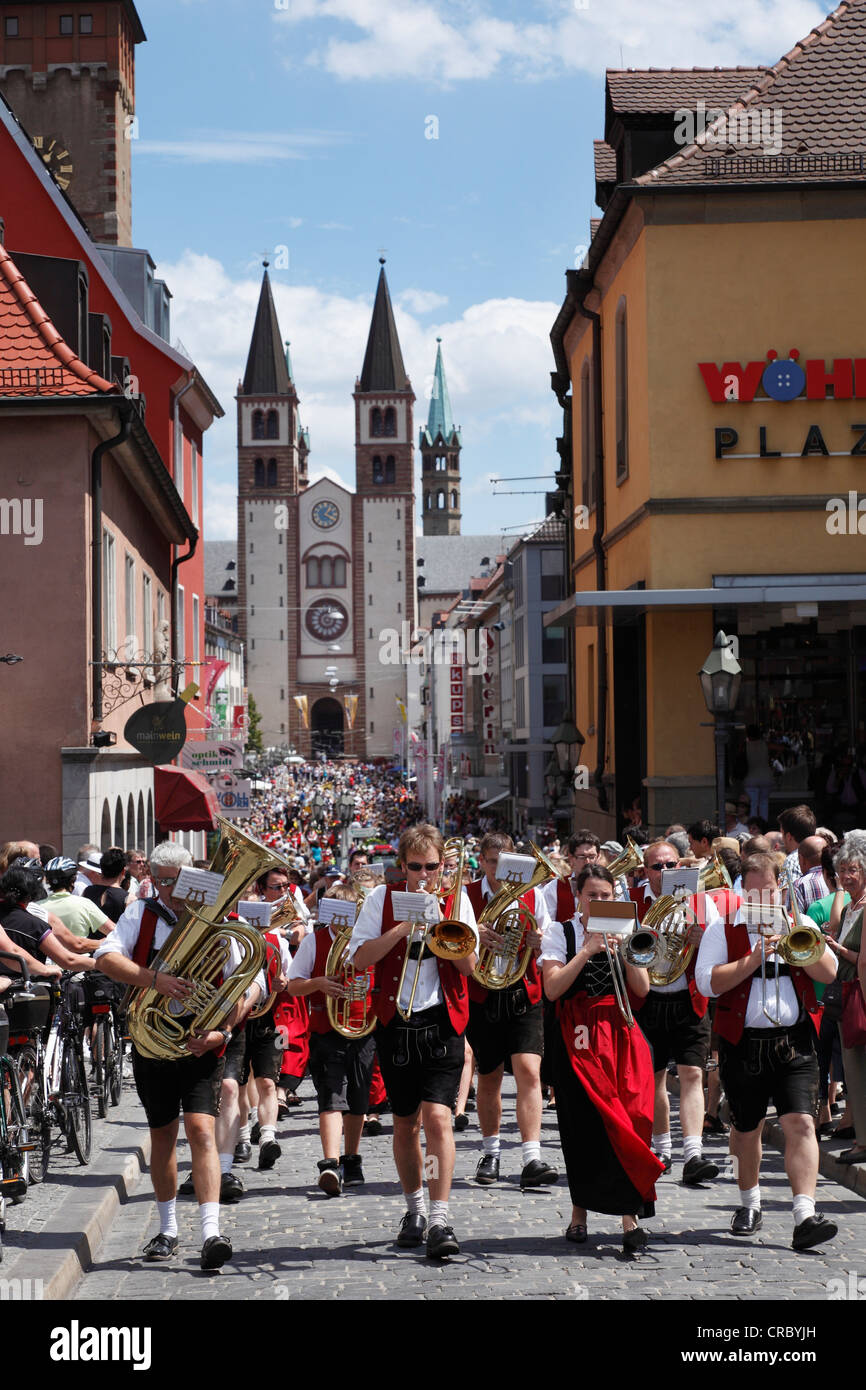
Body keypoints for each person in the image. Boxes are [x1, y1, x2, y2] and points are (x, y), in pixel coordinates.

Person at [95, 842, 263, 1270]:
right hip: (154, 1045)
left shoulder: (225, 920)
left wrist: (223, 1029)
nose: (168, 889)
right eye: (160, 880)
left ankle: (211, 1231)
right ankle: (168, 1228)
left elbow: (252, 984)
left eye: (175, 880)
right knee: (163, 1138)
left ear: (192, 877)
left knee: (202, 1132)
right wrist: (156, 979)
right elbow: (105, 957)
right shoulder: (140, 914)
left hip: (202, 1044)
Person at [695, 851, 838, 1250]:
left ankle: (804, 1214)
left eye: (770, 890)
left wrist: (798, 944)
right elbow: (708, 983)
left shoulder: (800, 922)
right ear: (743, 891)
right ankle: (749, 1203)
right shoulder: (723, 929)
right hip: (744, 1044)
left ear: (780, 888)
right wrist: (754, 956)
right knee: (746, 1129)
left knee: (802, 1124)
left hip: (795, 1041)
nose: (762, 898)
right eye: (753, 891)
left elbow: (829, 973)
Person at [348, 824, 478, 1259]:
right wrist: (403, 927)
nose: (424, 876)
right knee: (406, 1123)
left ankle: (440, 1216)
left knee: (439, 1119)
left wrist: (443, 922)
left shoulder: (455, 900)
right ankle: (414, 1208)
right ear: (402, 866)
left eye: (433, 867)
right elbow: (360, 957)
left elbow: (470, 968)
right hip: (397, 1022)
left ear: (444, 866)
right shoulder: (379, 900)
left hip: (442, 1021)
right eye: (416, 867)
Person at [540, 864, 663, 1250]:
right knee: (582, 1129)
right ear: (579, 897)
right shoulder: (563, 932)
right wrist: (589, 949)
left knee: (631, 1121)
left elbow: (641, 989)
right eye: (592, 895)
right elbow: (553, 989)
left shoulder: (626, 928)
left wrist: (625, 947)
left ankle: (629, 1218)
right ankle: (580, 1214)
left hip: (621, 1033)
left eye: (607, 896)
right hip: (578, 1038)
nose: (600, 902)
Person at [464, 832, 558, 1190]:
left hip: (523, 990)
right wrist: (476, 934)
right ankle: (491, 1151)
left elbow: (548, 938)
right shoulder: (468, 896)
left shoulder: (533, 893)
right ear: (482, 862)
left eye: (505, 862)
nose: (498, 869)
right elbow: (456, 938)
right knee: (488, 1076)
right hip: (484, 992)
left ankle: (532, 1155)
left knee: (529, 1072)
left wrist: (538, 942)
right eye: (491, 862)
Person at [630, 840, 721, 1183]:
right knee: (653, 1079)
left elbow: (719, 947)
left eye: (671, 866)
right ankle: (662, 1147)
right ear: (645, 871)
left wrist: (703, 938)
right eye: (658, 867)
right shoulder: (633, 901)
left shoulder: (700, 901)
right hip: (648, 999)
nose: (666, 872)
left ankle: (694, 1153)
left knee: (693, 1074)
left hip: (688, 999)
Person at [287, 883, 376, 1195]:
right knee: (330, 1096)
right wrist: (318, 983)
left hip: (363, 1028)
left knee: (359, 1099)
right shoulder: (315, 941)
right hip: (327, 1030)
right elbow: (293, 985)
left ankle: (351, 1158)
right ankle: (329, 1162)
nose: (340, 921)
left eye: (347, 915)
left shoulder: (368, 942)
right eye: (334, 914)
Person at [825, 832, 866, 1165]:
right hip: (849, 997)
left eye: (853, 869)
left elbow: (861, 957)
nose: (847, 876)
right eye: (842, 870)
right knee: (853, 1073)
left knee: (858, 1070)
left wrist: (838, 950)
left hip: (860, 996)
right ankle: (861, 1138)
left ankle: (863, 1143)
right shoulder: (853, 905)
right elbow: (837, 924)